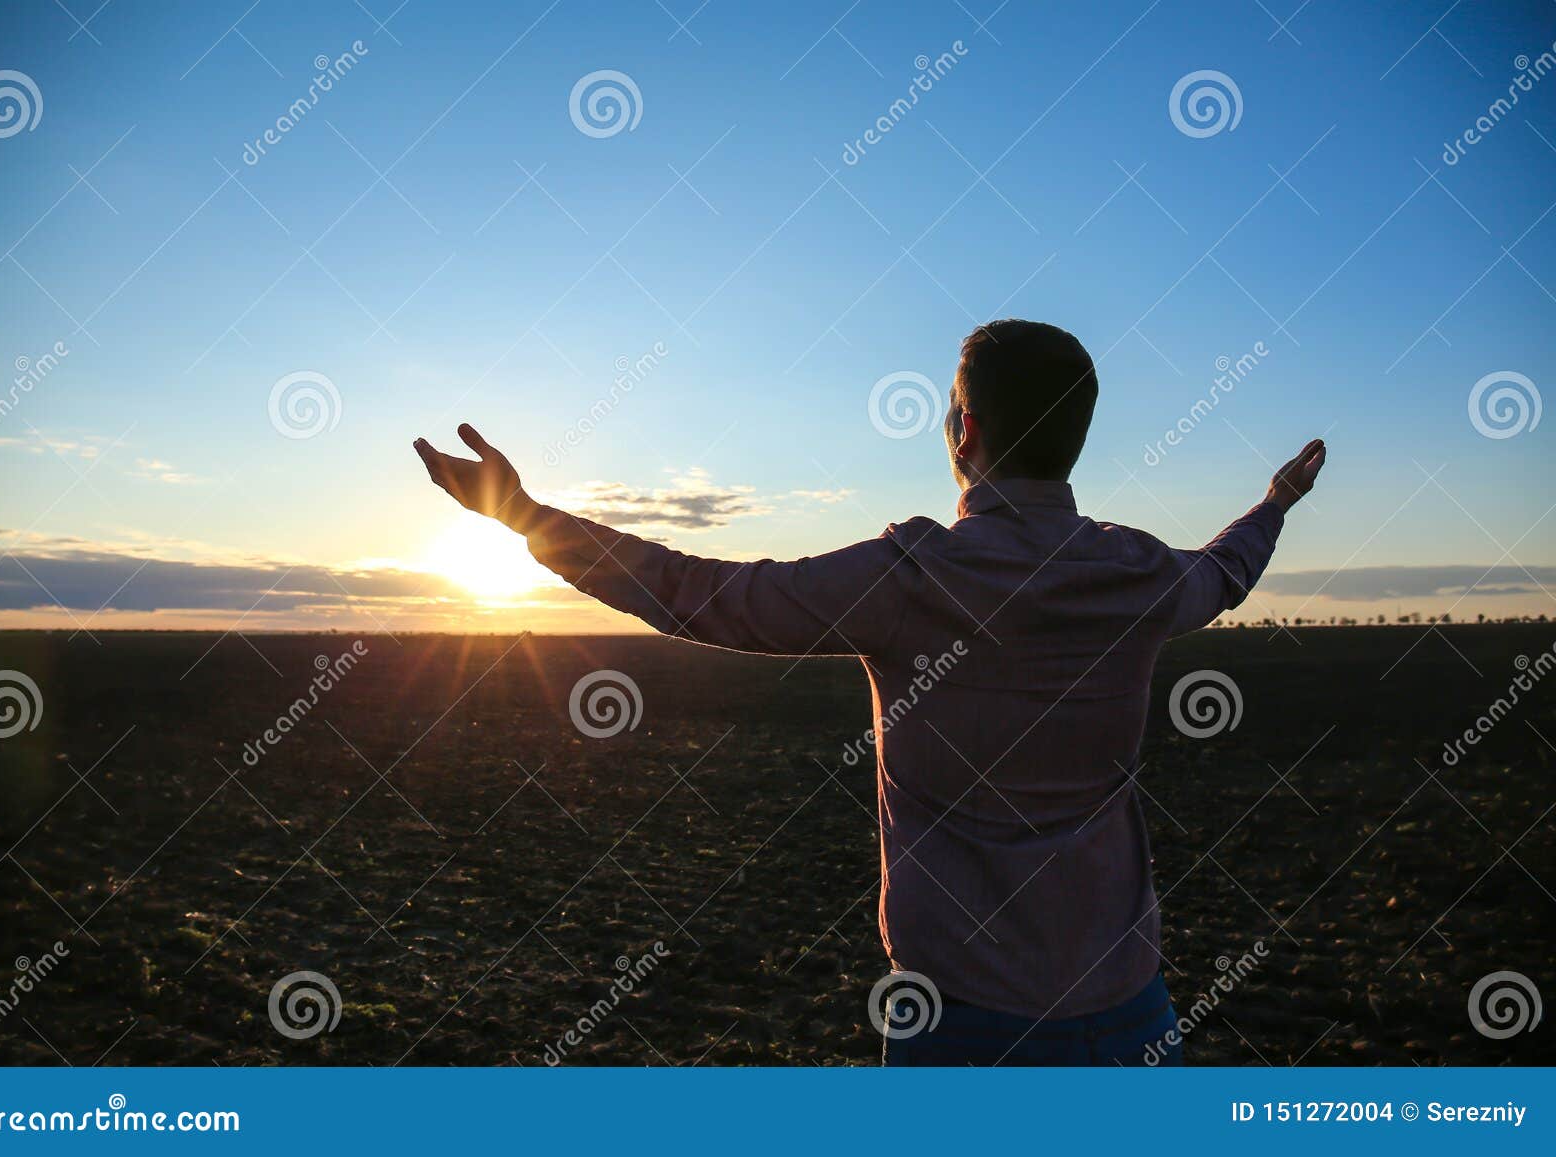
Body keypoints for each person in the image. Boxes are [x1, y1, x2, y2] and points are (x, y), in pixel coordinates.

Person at [413, 319, 1326, 1066]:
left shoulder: (910, 577)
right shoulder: (1139, 573)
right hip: (1131, 1015)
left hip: (962, 1027)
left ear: (964, 432)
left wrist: (523, 516)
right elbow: (1226, 572)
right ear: (1075, 439)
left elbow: (705, 594)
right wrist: (1275, 502)